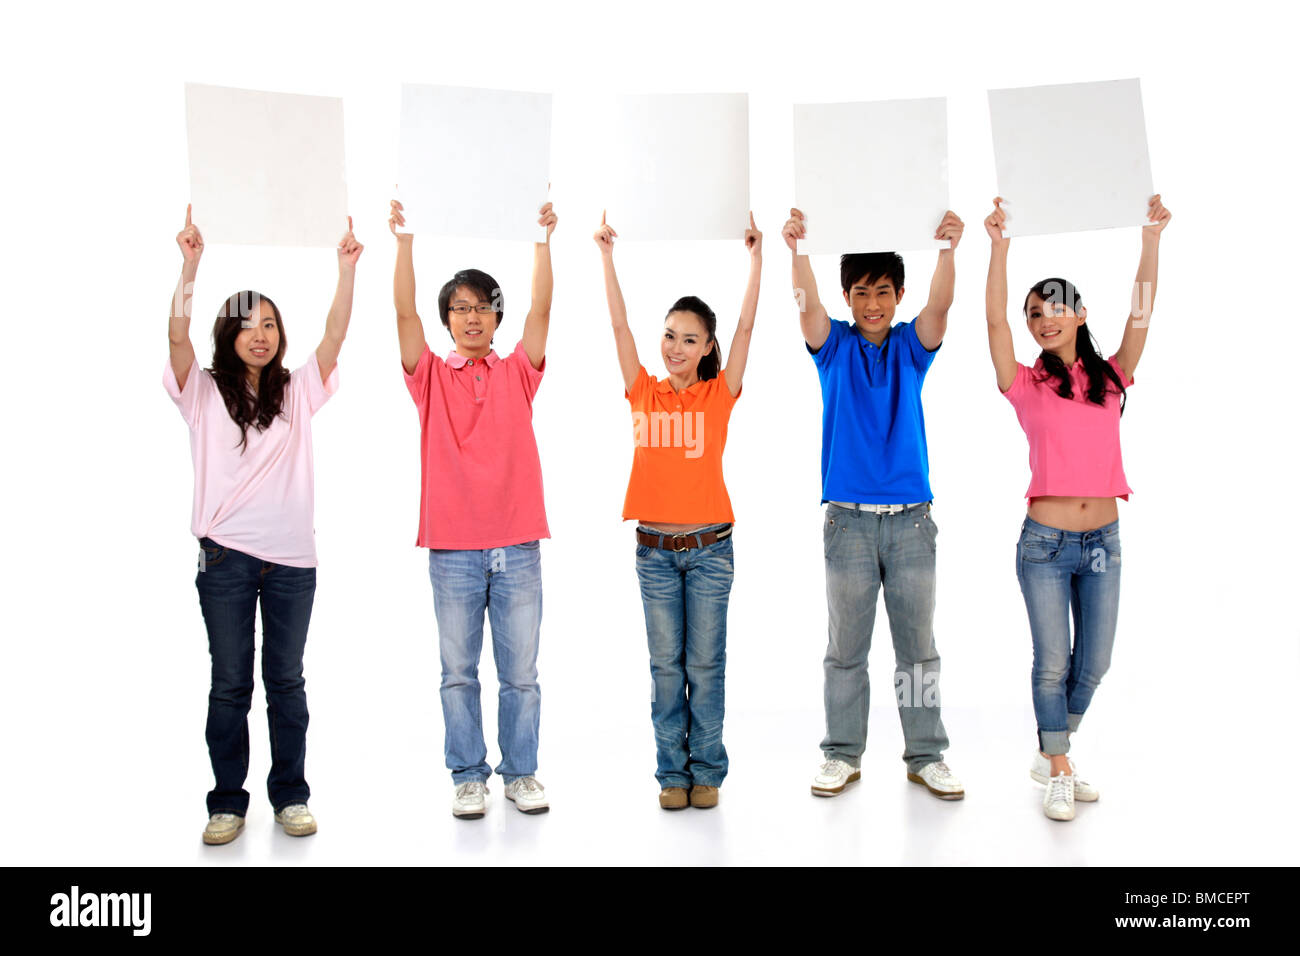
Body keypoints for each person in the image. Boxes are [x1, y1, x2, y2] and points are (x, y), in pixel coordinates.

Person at [166, 205, 361, 845]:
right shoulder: (202, 389)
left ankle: (291, 797)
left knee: (286, 682)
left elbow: (334, 335)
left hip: (292, 564)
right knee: (230, 685)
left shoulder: (298, 392)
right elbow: (175, 339)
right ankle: (226, 804)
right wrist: (190, 267)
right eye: (248, 324)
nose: (261, 333)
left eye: (270, 324)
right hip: (225, 559)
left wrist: (345, 270)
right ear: (229, 334)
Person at [984, 194, 1170, 822]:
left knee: (1095, 663)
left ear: (1080, 312)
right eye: (1034, 313)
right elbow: (993, 327)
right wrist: (999, 250)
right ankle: (1058, 767)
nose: (1043, 320)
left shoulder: (1113, 376)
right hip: (1044, 543)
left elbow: (1142, 314)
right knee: (1053, 661)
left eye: (1055, 307)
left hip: (1104, 544)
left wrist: (1151, 240)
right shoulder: (1026, 385)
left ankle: (1050, 748)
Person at [783, 207, 966, 800]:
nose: (872, 305)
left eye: (883, 293)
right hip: (848, 526)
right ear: (848, 295)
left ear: (897, 294)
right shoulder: (832, 347)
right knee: (845, 651)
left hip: (912, 523)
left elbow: (939, 310)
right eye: (861, 293)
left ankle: (925, 754)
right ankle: (842, 753)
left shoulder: (912, 349)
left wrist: (948, 250)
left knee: (919, 653)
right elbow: (807, 307)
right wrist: (797, 251)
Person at [389, 197, 557, 819]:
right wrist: (404, 241)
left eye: (482, 307)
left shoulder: (519, 371)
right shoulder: (428, 376)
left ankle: (521, 773)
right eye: (459, 309)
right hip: (453, 549)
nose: (471, 317)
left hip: (517, 544)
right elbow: (403, 309)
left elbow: (541, 309)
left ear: (495, 316)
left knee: (522, 676)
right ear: (447, 320)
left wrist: (542, 240)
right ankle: (468, 775)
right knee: (458, 672)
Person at [593, 211, 761, 810]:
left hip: (711, 551)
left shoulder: (720, 393)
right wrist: (607, 257)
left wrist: (756, 263)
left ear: (707, 347)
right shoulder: (644, 389)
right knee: (666, 668)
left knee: (705, 667)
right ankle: (672, 774)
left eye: (690, 339)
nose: (676, 348)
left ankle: (707, 770)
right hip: (655, 554)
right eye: (669, 335)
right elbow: (616, 325)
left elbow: (744, 330)